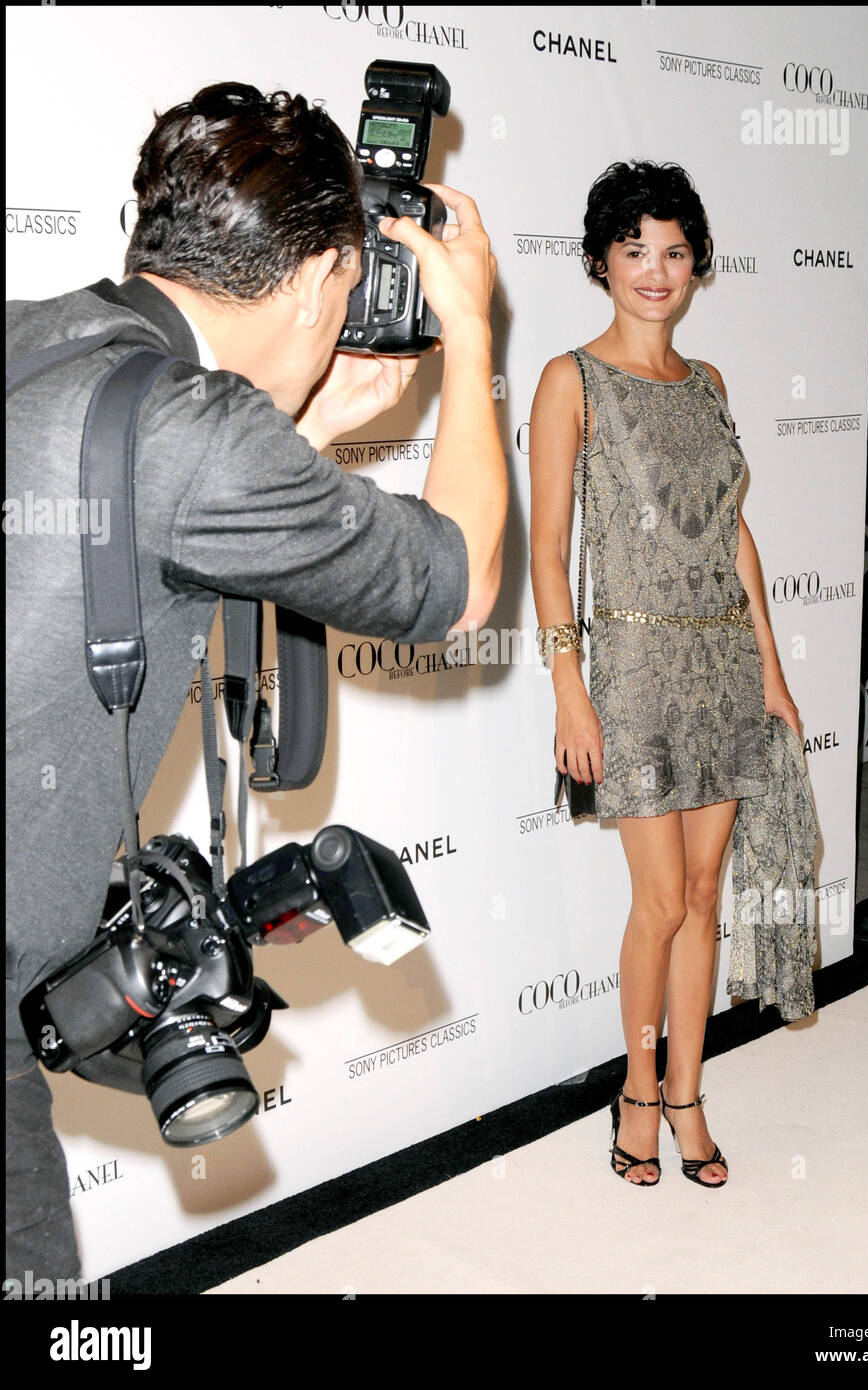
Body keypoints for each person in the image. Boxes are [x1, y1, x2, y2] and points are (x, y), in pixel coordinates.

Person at [5, 82, 506, 1280]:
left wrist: (298, 439)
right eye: (347, 291)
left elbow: (123, 522)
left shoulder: (40, 337)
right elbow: (460, 580)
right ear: (321, 277)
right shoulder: (203, 439)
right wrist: (476, 336)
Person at [529, 160, 801, 1187]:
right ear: (601, 259)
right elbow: (548, 553)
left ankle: (688, 1091)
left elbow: (736, 538)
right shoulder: (571, 379)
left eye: (674, 251)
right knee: (657, 902)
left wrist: (770, 675)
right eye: (635, 248)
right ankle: (636, 1085)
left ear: (697, 267)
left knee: (703, 890)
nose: (656, 270)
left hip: (723, 663)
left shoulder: (710, 384)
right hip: (633, 668)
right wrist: (569, 687)